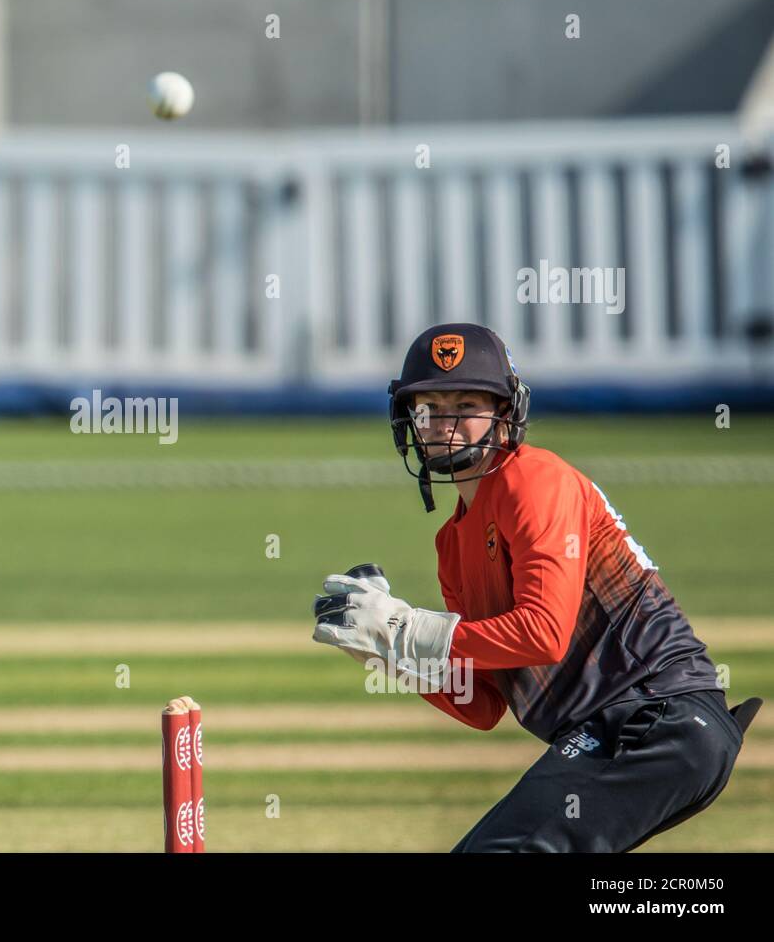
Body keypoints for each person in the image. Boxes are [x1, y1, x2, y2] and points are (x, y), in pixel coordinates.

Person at [313, 322, 760, 852]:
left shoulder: (534, 480)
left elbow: (544, 633)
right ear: (408, 418)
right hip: (625, 730)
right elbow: (482, 703)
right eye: (430, 406)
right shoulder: (452, 546)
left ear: (506, 413)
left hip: (656, 717)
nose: (445, 423)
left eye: (467, 404)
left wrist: (407, 629)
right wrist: (384, 649)